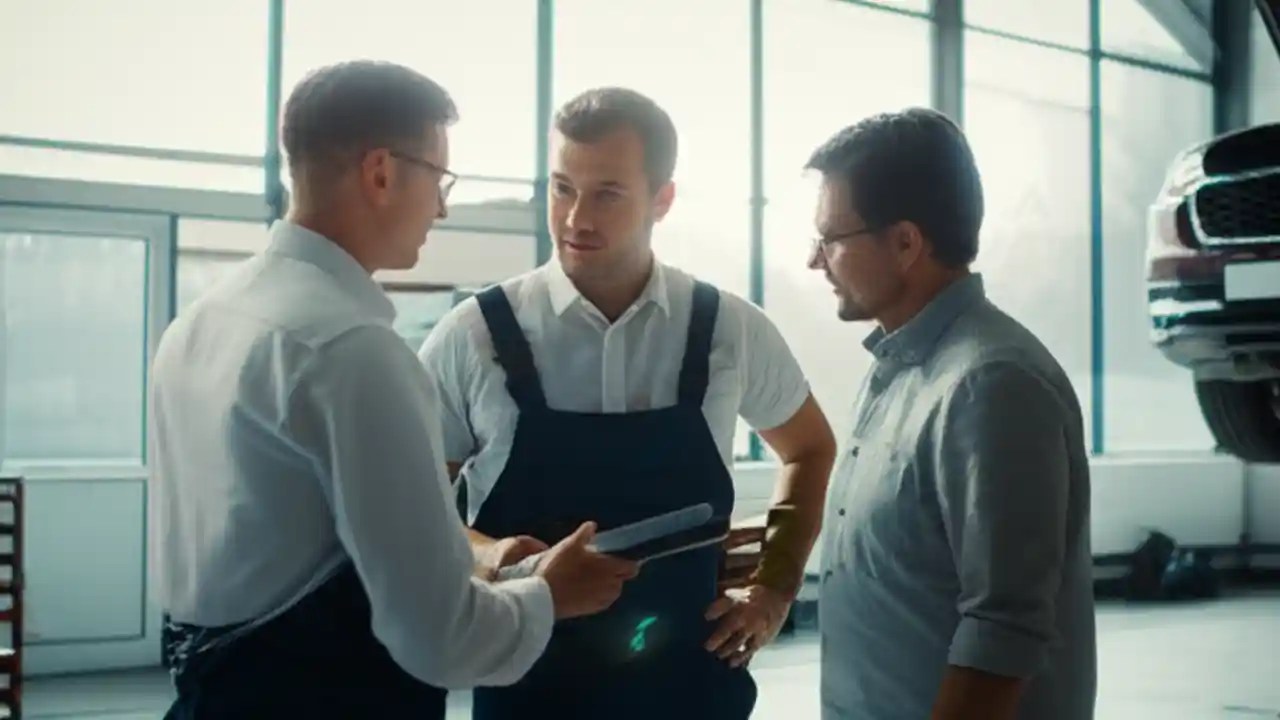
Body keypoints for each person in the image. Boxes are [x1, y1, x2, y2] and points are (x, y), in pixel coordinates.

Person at [147, 61, 638, 719]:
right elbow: (439, 636)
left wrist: (497, 566)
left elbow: (289, 547)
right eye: (438, 178)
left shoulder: (205, 319)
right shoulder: (352, 350)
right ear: (381, 172)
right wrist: (553, 593)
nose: (441, 205)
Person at [418, 86, 837, 719]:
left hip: (693, 692)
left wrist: (774, 588)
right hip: (527, 693)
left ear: (662, 199)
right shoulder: (473, 336)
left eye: (607, 194)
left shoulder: (728, 328)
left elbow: (809, 447)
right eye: (562, 188)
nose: (576, 218)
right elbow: (411, 505)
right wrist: (490, 556)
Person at [804, 108, 1097, 720]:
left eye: (831, 239)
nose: (815, 260)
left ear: (906, 243)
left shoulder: (991, 384)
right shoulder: (899, 369)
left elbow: (1002, 630)